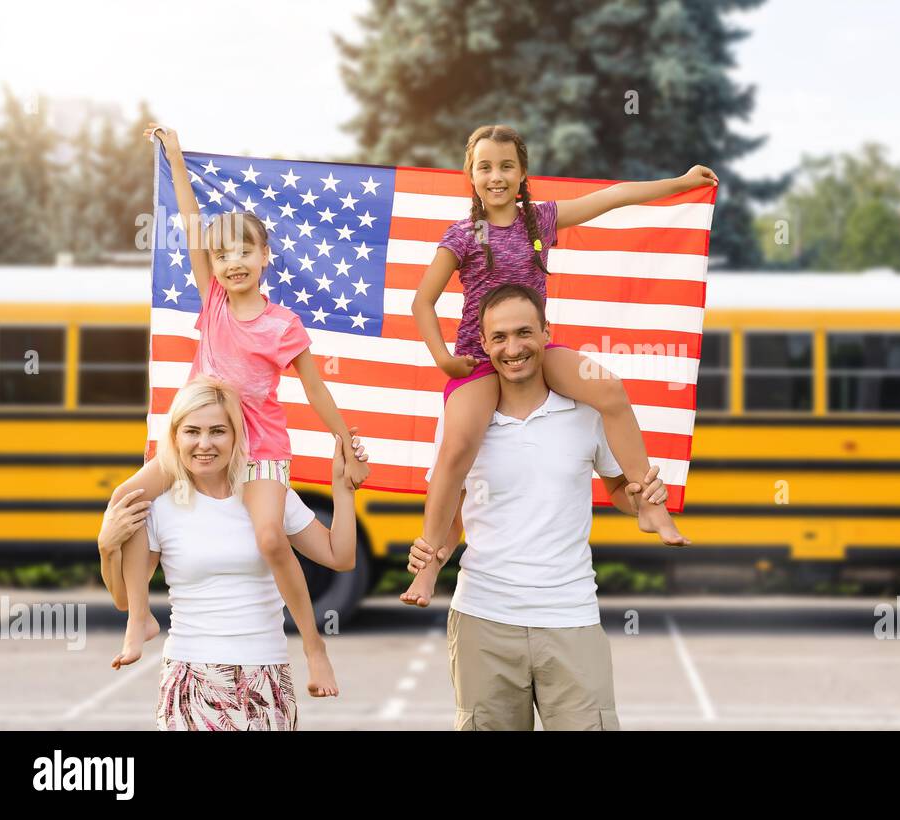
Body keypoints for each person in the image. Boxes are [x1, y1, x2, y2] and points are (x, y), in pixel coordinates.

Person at [400, 123, 714, 607]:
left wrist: (680, 183)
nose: (496, 176)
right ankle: (427, 568)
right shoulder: (463, 235)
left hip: (535, 351)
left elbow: (614, 197)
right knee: (458, 451)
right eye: (485, 167)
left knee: (608, 390)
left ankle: (650, 507)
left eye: (507, 166)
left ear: (523, 172)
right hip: (483, 359)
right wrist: (445, 359)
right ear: (471, 174)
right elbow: (422, 302)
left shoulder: (540, 221)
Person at [106, 124, 369, 696]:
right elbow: (191, 223)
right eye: (222, 255)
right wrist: (175, 156)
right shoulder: (214, 303)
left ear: (266, 256)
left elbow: (317, 390)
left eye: (244, 251)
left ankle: (315, 648)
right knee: (127, 498)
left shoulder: (283, 326)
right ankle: (139, 618)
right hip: (199, 435)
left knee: (272, 539)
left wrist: (343, 437)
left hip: (261, 445)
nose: (231, 262)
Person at [406, 284, 670, 730]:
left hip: (570, 617)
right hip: (483, 619)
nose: (514, 348)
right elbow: (451, 513)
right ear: (485, 344)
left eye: (525, 333)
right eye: (500, 338)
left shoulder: (587, 410)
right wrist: (433, 555)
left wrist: (642, 497)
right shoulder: (462, 416)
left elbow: (617, 489)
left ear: (547, 333)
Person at [98, 376, 368, 729]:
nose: (204, 444)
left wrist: (342, 489)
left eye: (218, 431)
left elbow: (340, 556)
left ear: (236, 435)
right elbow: (125, 600)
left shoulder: (269, 497)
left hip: (265, 675)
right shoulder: (159, 507)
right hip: (189, 675)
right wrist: (107, 547)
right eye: (192, 431)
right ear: (175, 437)